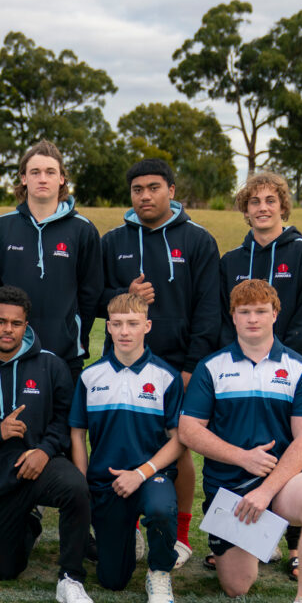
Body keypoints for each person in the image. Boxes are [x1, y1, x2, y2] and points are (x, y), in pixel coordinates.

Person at [179, 279, 302, 603]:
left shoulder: (299, 369)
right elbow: (189, 430)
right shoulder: (212, 368)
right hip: (230, 489)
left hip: (280, 485)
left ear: (275, 315)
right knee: (236, 587)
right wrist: (242, 458)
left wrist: (266, 491)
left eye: (261, 312)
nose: (253, 319)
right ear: (232, 317)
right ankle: (259, 537)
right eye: (244, 312)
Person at [99, 159, 222, 569]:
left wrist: (191, 368)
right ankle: (131, 528)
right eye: (137, 189)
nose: (145, 196)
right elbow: (91, 296)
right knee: (123, 442)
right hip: (122, 362)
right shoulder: (113, 240)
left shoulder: (198, 241)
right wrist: (123, 292)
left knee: (180, 445)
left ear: (171, 189)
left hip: (179, 365)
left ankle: (181, 536)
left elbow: (209, 311)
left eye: (154, 187)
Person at [0, 286, 94, 603]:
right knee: (7, 570)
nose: (8, 329)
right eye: (0, 321)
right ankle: (31, 524)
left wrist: (44, 450)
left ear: (26, 325)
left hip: (41, 467)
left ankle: (70, 577)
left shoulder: (51, 365)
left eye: (16, 323)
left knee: (75, 488)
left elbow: (63, 420)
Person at [219, 171, 302, 579]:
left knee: (296, 453)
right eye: (254, 201)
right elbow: (224, 319)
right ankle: (241, 540)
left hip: (290, 373)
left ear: (283, 205)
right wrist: (242, 365)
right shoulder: (230, 260)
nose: (262, 208)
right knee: (243, 451)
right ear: (245, 210)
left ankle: (296, 547)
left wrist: (279, 365)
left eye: (270, 200)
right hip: (239, 376)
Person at [70, 293, 186, 603]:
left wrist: (141, 473)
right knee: (113, 580)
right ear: (107, 327)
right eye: (117, 324)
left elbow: (179, 440)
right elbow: (77, 434)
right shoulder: (90, 377)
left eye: (133, 323)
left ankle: (160, 571)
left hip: (151, 476)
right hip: (107, 483)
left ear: (146, 326)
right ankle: (124, 542)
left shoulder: (166, 377)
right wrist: (82, 485)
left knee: (161, 509)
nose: (124, 331)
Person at [0, 140, 102, 381]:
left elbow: (91, 293)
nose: (42, 178)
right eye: (35, 172)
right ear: (24, 178)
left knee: (64, 420)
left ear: (62, 179)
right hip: (10, 352)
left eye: (50, 172)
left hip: (65, 355)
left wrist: (73, 335)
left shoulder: (83, 230)